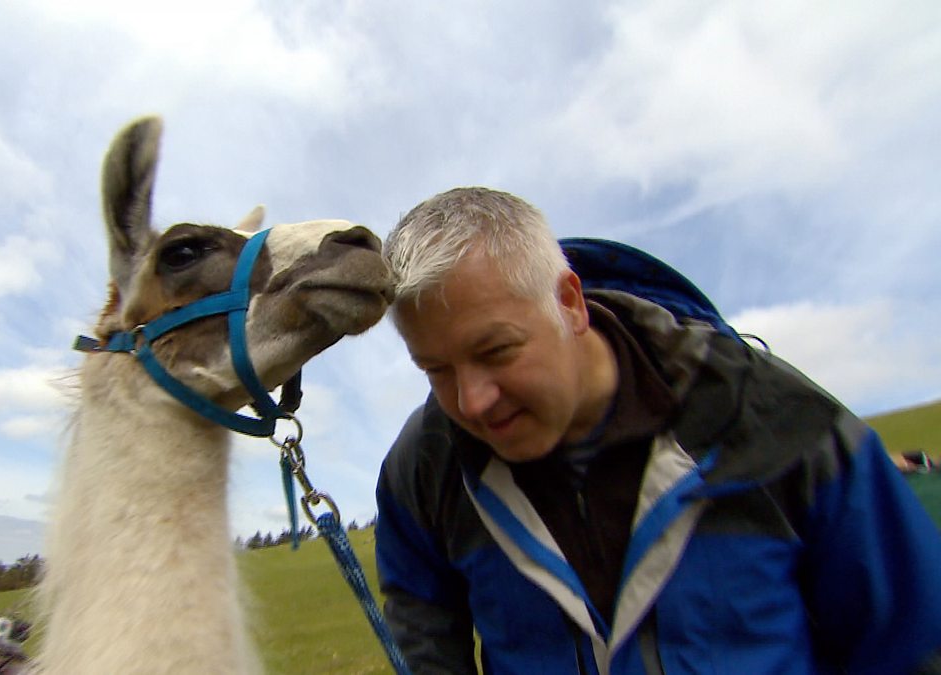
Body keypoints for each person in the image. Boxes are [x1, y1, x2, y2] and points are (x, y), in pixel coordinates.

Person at [374, 186, 941, 674]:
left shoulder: (778, 420)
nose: (470, 401)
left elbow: (911, 642)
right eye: (436, 370)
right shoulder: (424, 468)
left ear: (569, 304)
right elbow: (425, 638)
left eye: (496, 350)